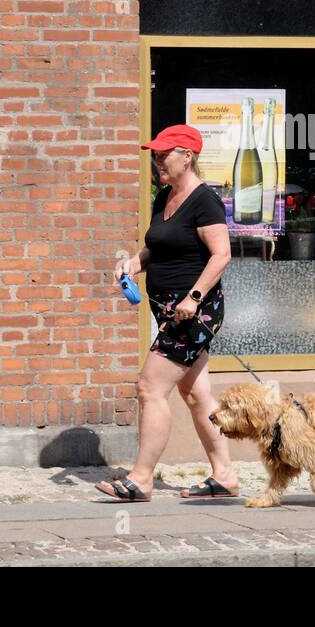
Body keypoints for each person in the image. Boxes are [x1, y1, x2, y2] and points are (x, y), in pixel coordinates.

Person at [96, 124, 240, 501]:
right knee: (195, 394)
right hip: (169, 310)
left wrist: (193, 297)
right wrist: (134, 263)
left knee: (150, 388)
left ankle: (141, 479)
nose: (157, 161)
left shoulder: (204, 201)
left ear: (187, 156)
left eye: (164, 154)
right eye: (155, 155)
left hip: (192, 313)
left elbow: (221, 255)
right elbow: (158, 247)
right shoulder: (165, 196)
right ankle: (225, 475)